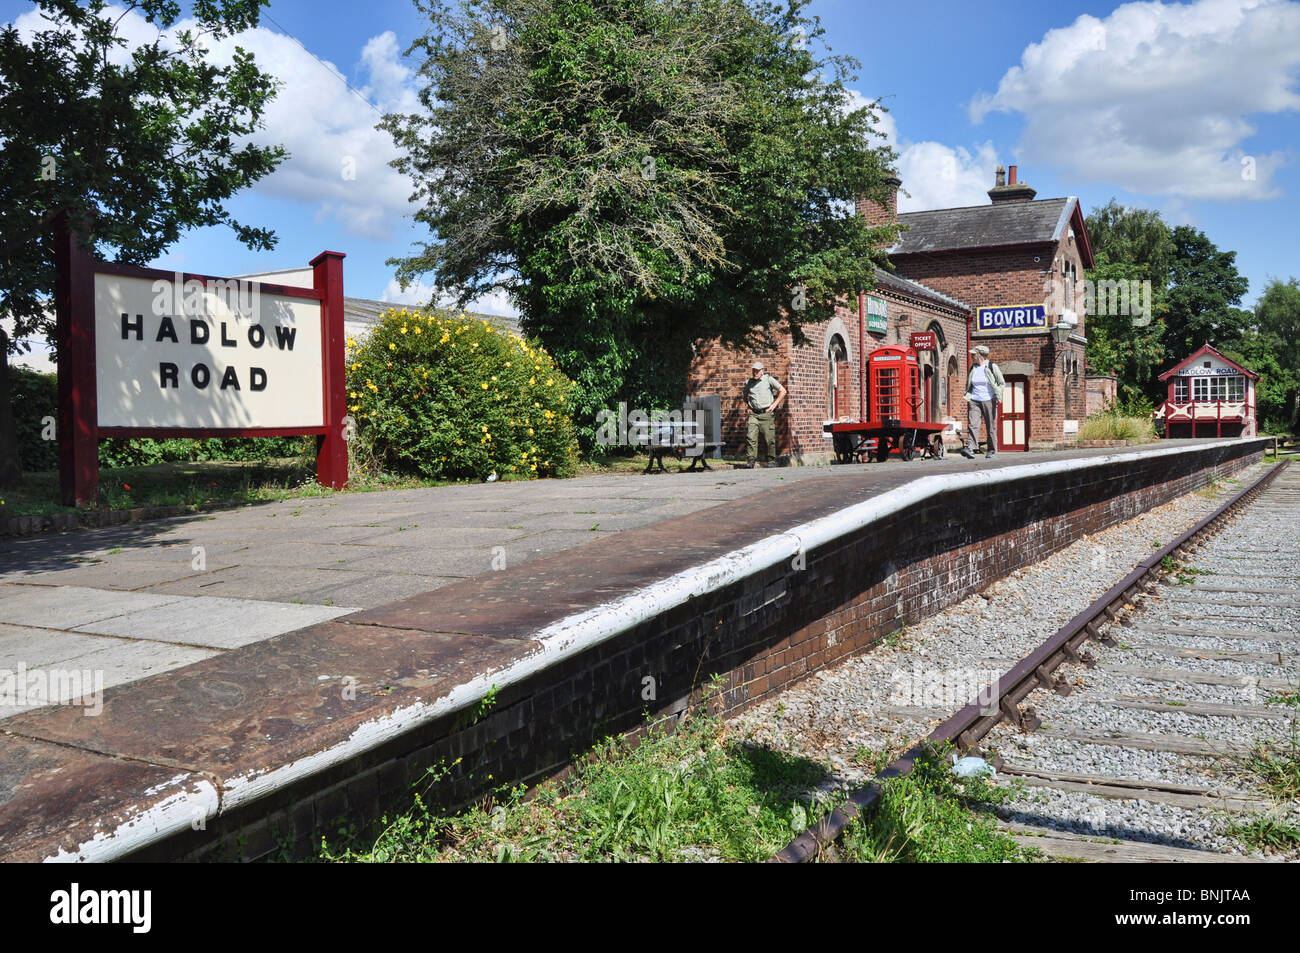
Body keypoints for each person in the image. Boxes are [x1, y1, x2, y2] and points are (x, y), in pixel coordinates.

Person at [960, 345, 1005, 459]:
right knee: (973, 424)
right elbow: (969, 383)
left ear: (979, 355)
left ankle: (991, 450)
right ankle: (971, 448)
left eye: (973, 354)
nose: (971, 356)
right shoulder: (973, 368)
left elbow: (1001, 383)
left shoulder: (992, 366)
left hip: (989, 400)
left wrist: (996, 395)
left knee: (991, 426)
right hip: (974, 400)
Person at [740, 361, 786, 468]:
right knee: (751, 437)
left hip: (766, 413)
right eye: (753, 370)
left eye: (757, 370)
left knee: (769, 439)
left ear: (762, 371)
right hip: (754, 415)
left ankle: (771, 460)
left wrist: (774, 405)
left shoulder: (768, 379)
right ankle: (751, 460)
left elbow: (783, 391)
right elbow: (744, 395)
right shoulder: (749, 382)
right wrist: (748, 406)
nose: (755, 372)